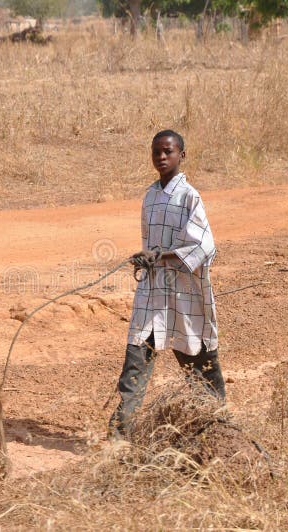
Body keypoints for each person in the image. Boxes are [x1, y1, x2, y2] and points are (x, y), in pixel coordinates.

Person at [109, 129, 226, 439]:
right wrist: (147, 260)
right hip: (152, 292)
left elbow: (204, 246)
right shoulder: (150, 196)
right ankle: (119, 439)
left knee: (198, 364)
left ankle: (219, 431)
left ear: (181, 155)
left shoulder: (190, 196)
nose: (161, 157)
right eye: (156, 152)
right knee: (136, 360)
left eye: (168, 152)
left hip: (184, 294)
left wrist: (160, 256)